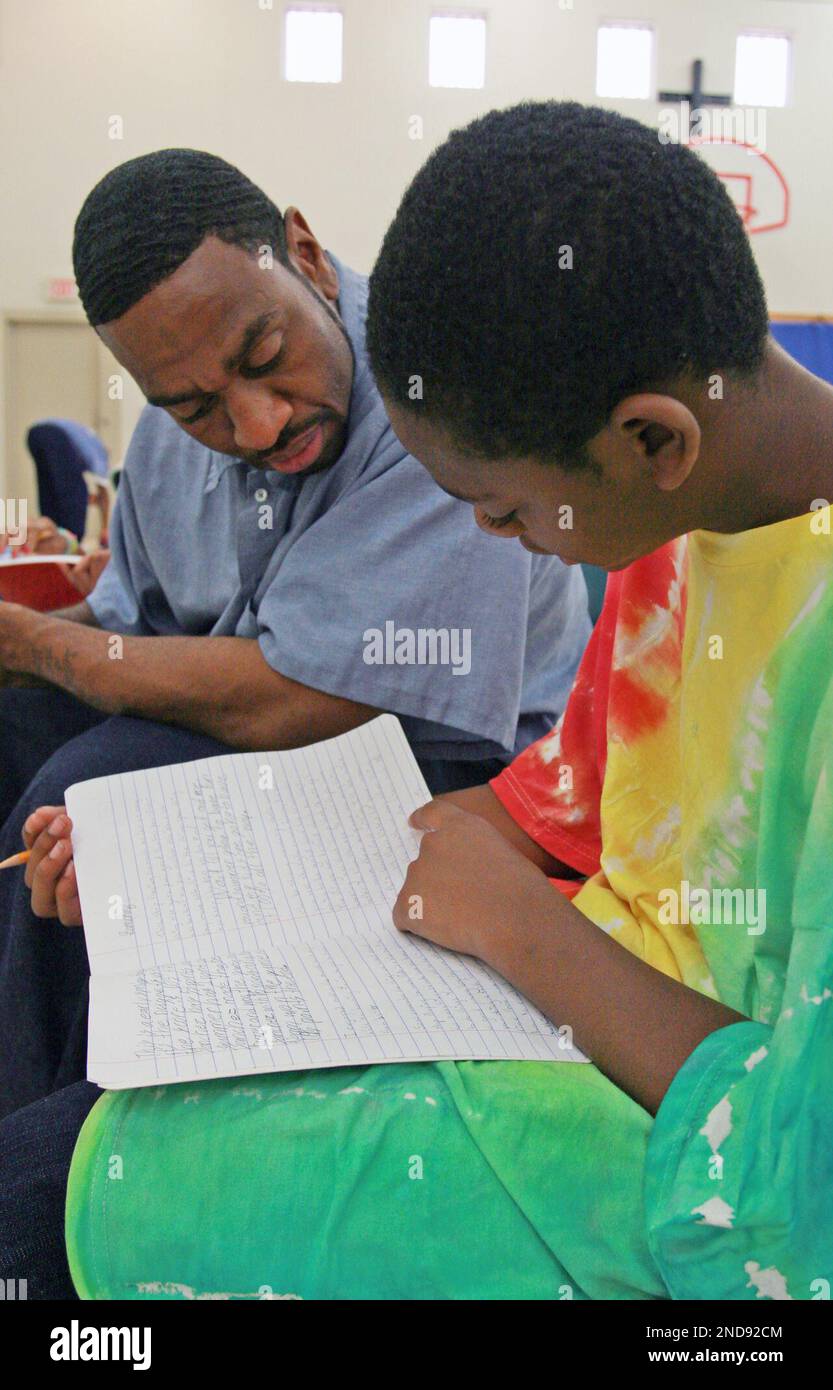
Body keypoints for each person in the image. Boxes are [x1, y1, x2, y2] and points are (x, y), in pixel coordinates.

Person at [7, 100, 828, 1302]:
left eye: (499, 513)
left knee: (49, 1212)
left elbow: (793, 1199)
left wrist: (524, 929)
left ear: (650, 439)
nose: (507, 548)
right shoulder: (687, 516)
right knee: (68, 1132)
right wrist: (195, 857)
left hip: (642, 1169)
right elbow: (533, 815)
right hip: (524, 1032)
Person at [0, 149, 589, 1119]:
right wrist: (23, 645)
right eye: (193, 408)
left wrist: (28, 640)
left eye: (265, 357)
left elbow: (308, 696)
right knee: (27, 735)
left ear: (306, 254)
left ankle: (66, 1129)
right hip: (230, 740)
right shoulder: (165, 435)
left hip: (433, 769)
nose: (257, 423)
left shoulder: (429, 397)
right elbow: (120, 634)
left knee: (92, 782)